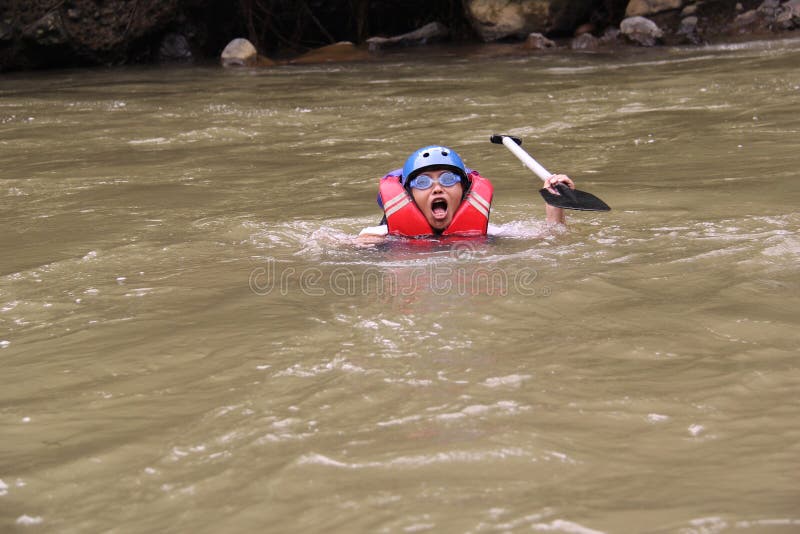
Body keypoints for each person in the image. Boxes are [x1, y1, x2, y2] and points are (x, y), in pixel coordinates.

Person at [358, 145, 574, 240]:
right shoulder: (378, 237)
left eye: (448, 179)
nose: (437, 188)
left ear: (464, 190)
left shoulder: (488, 233)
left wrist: (555, 205)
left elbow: (553, 238)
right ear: (409, 195)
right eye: (423, 182)